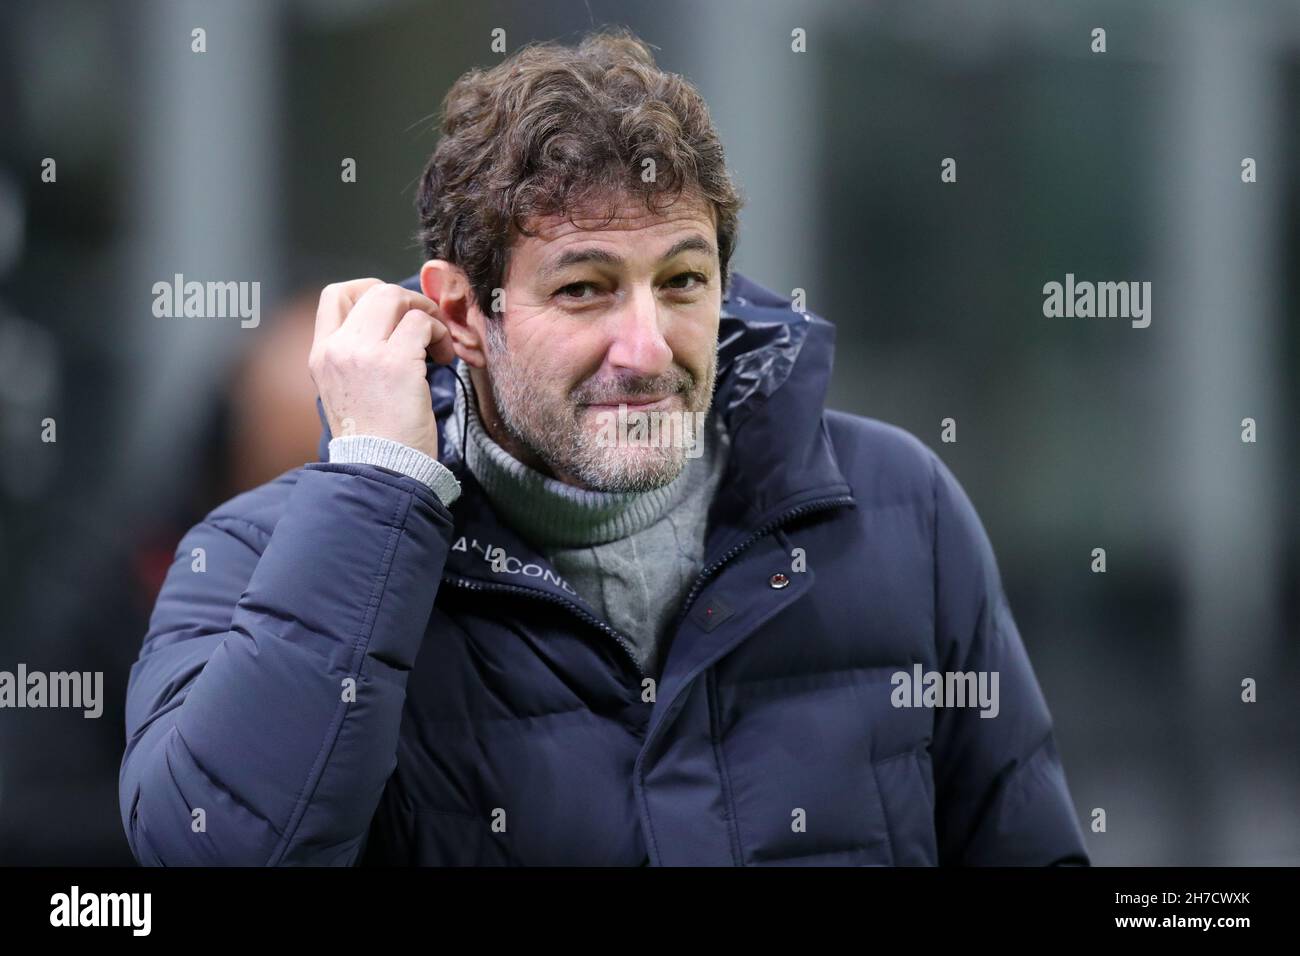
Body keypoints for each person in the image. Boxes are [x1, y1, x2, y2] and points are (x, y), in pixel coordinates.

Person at [119, 28, 1089, 866]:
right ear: (459, 310)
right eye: (583, 288)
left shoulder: (895, 507)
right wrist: (379, 490)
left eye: (681, 280)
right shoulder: (261, 556)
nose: (646, 346)